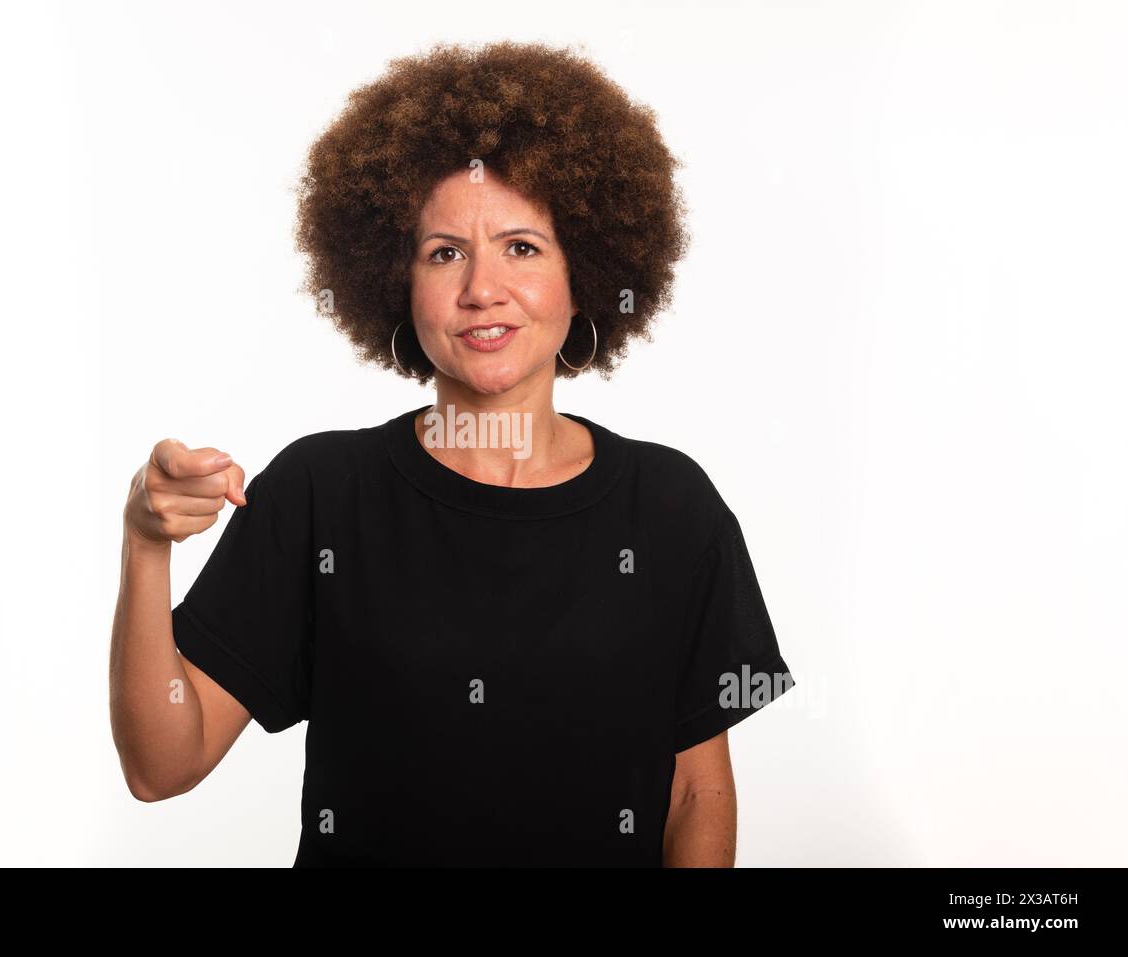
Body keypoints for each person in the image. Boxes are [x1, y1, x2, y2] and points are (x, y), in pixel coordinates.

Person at [109, 40, 796, 867]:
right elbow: (160, 765)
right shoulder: (321, 493)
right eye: (444, 253)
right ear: (396, 282)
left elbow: (698, 790)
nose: (481, 288)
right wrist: (146, 546)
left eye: (522, 246)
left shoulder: (672, 507)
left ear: (586, 275)